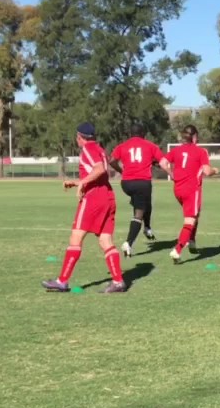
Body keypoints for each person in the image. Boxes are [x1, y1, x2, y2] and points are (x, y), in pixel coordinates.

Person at [42, 122, 126, 293]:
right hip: (108, 196)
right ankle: (118, 281)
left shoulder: (88, 149)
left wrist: (82, 183)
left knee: (76, 237)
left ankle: (62, 281)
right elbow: (103, 169)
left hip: (93, 198)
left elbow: (100, 169)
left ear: (80, 138)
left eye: (77, 137)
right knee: (105, 240)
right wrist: (77, 182)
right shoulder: (100, 149)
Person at [158, 125, 219, 264]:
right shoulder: (200, 151)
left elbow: (162, 162)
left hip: (178, 189)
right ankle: (177, 250)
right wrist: (215, 170)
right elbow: (207, 171)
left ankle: (191, 241)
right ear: (195, 137)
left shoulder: (176, 150)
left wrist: (171, 174)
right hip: (191, 189)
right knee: (190, 220)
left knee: (195, 214)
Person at [109, 123, 164, 257]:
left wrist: (120, 170)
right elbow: (162, 161)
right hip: (142, 183)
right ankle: (128, 243)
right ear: (143, 134)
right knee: (139, 213)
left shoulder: (122, 146)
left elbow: (111, 161)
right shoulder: (150, 145)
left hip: (126, 183)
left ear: (130, 134)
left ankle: (147, 227)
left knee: (145, 202)